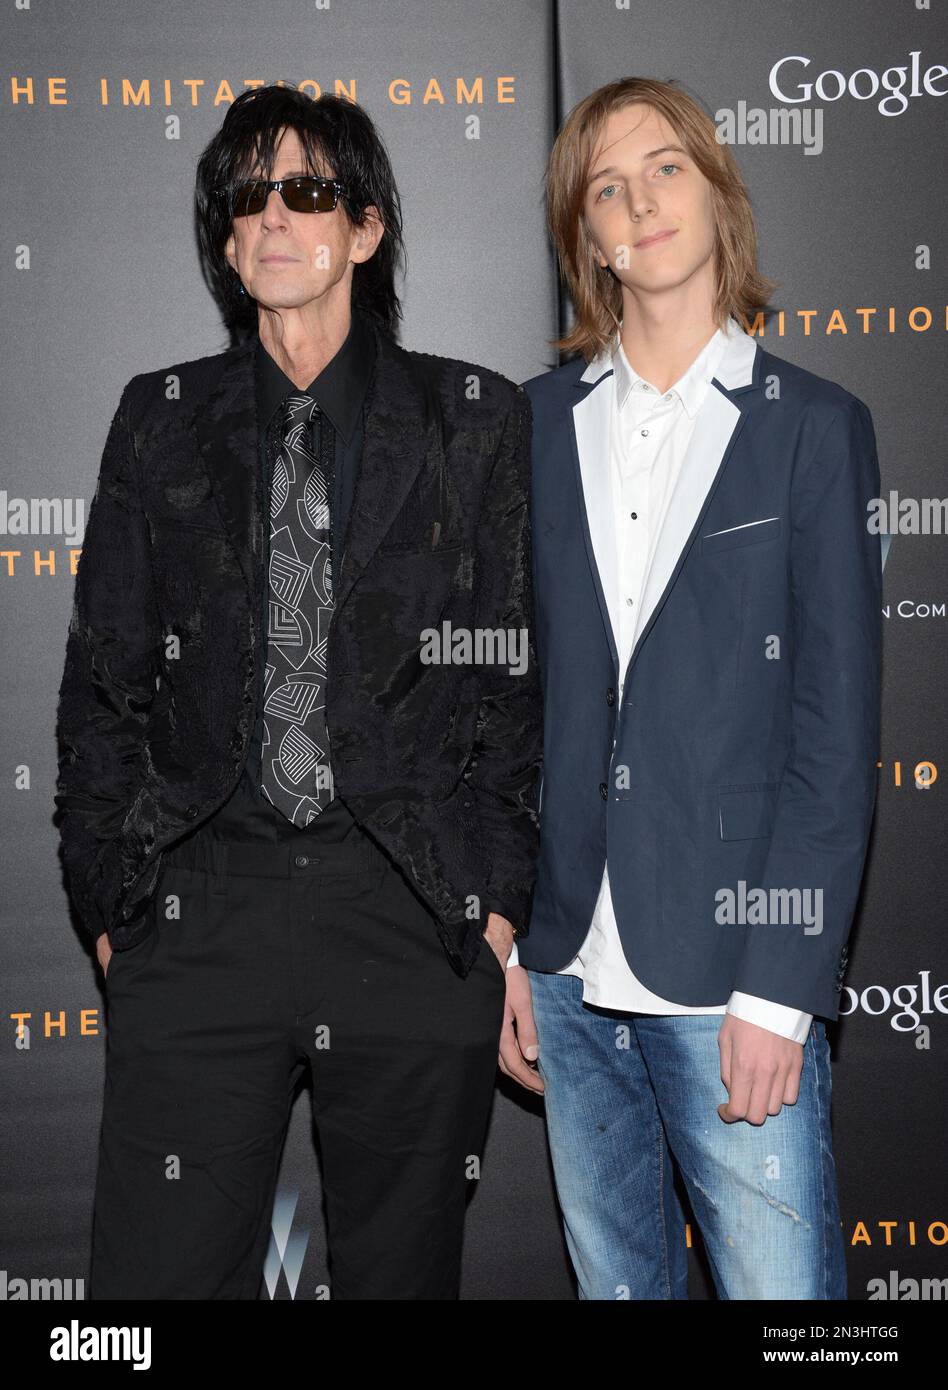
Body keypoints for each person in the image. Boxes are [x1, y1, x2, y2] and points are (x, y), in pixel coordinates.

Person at [54, 83, 541, 1300]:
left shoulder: (472, 420)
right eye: (246, 197)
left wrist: (485, 903)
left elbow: (513, 678)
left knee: (400, 1279)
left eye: (307, 189)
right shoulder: (160, 421)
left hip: (406, 904)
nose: (273, 215)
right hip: (201, 901)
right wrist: (114, 899)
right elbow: (105, 681)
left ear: (365, 227)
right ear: (226, 240)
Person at [505, 77, 882, 1299]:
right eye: (606, 186)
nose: (640, 200)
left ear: (718, 193)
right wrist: (507, 948)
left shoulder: (814, 427)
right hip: (565, 974)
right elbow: (507, 707)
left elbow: (833, 736)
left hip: (730, 980)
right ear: (587, 238)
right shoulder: (532, 426)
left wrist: (783, 987)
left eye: (665, 167)